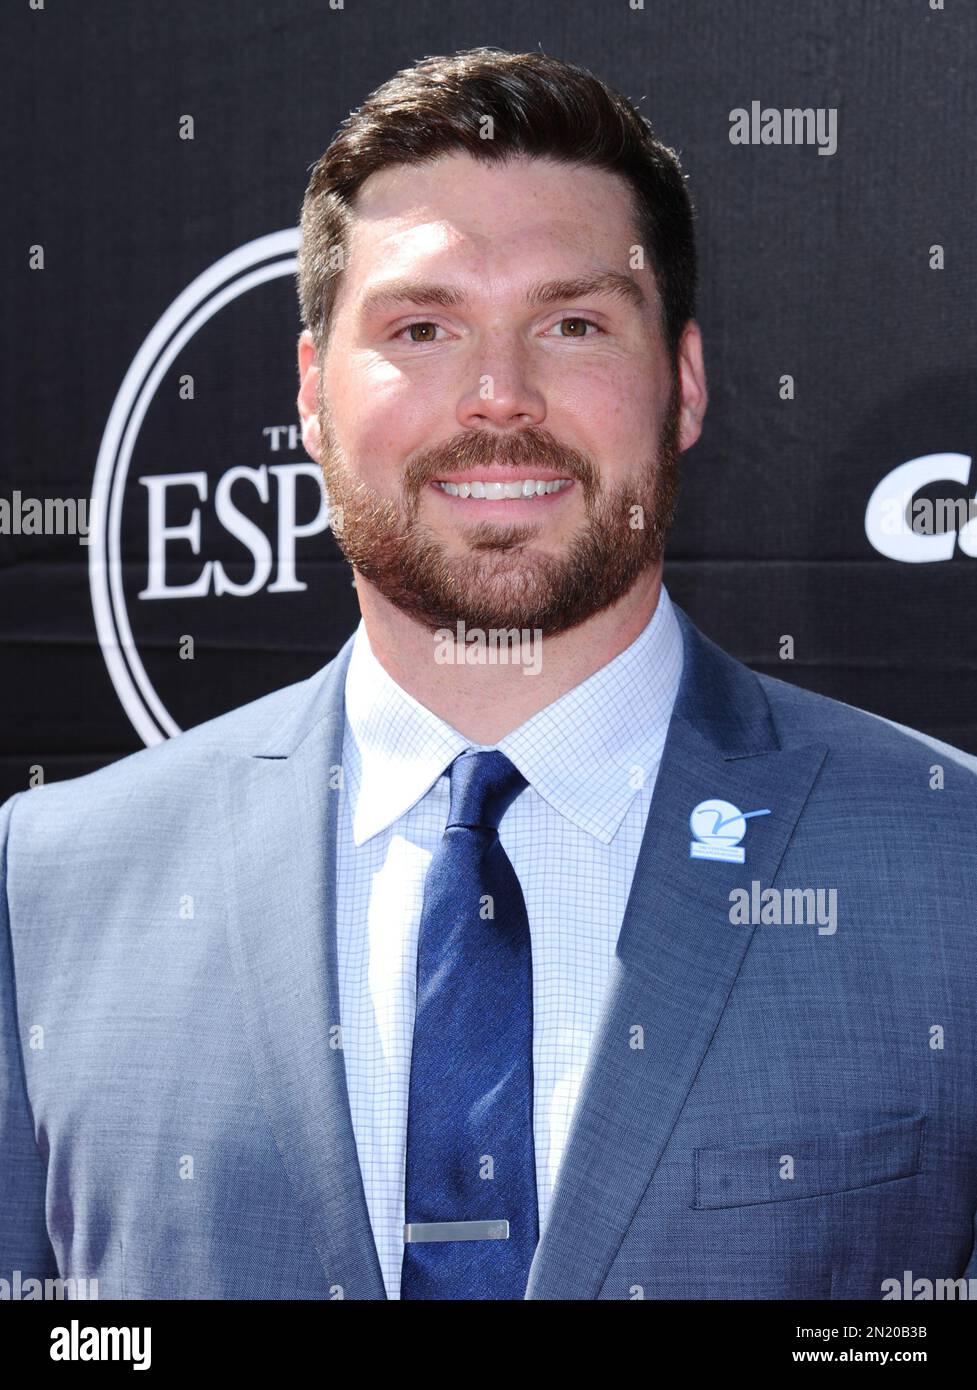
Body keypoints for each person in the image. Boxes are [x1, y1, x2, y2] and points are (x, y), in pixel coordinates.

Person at [2, 47, 976, 1303]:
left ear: (680, 382)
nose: (497, 398)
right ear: (310, 396)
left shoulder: (946, 863)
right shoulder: (52, 887)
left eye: (570, 324)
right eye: (421, 327)